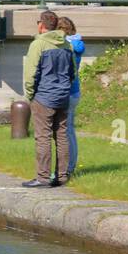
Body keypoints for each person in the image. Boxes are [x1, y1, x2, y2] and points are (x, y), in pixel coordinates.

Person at [20, 10, 75, 188]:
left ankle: (43, 178)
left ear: (41, 25)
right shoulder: (67, 44)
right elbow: (72, 72)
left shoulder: (39, 44)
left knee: (42, 137)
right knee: (62, 136)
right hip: (63, 96)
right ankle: (62, 176)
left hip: (44, 97)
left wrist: (30, 95)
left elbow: (30, 74)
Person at [57, 16, 84, 179]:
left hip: (65, 92)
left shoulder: (65, 46)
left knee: (64, 132)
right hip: (75, 91)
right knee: (70, 131)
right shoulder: (78, 44)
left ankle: (67, 167)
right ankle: (71, 165)